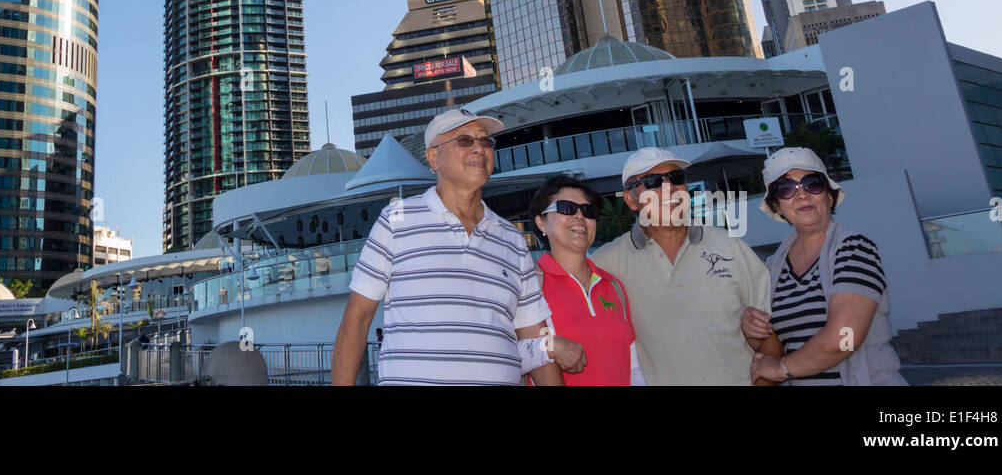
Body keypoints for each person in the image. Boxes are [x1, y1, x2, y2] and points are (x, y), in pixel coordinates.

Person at [332, 108, 564, 385]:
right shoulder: (395, 221)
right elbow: (356, 320)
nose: (479, 148)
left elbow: (534, 336)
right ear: (433, 158)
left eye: (485, 140)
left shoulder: (512, 239)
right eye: (465, 140)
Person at [590, 147, 781, 385]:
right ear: (630, 199)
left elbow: (770, 340)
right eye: (652, 182)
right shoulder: (604, 264)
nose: (669, 188)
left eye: (676, 178)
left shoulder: (732, 248)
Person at [746, 147, 907, 386]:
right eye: (786, 189)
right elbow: (771, 349)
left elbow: (845, 338)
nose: (801, 195)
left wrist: (781, 369)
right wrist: (751, 326)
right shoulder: (773, 267)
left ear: (829, 196)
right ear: (777, 206)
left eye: (812, 183)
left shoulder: (854, 249)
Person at [527, 174, 643, 385]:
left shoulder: (613, 286)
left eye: (588, 211)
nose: (580, 216)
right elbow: (502, 355)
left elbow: (632, 367)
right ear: (541, 222)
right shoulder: (529, 286)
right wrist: (547, 347)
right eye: (566, 208)